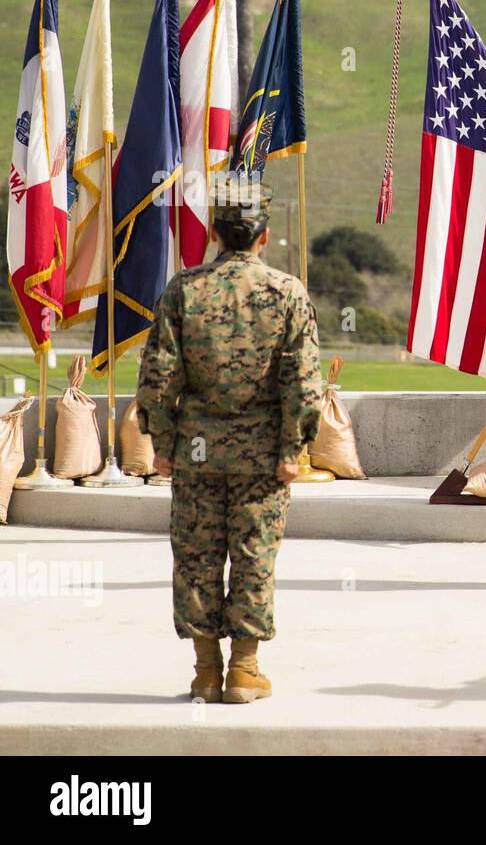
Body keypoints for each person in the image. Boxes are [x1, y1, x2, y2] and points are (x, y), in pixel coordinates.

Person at [136, 175, 323, 704]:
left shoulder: (183, 290)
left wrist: (165, 445)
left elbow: (158, 377)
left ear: (216, 233)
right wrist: (294, 450)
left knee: (196, 557)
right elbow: (302, 382)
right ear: (263, 236)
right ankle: (244, 671)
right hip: (262, 458)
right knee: (253, 555)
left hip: (196, 454)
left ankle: (204, 673)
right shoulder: (287, 293)